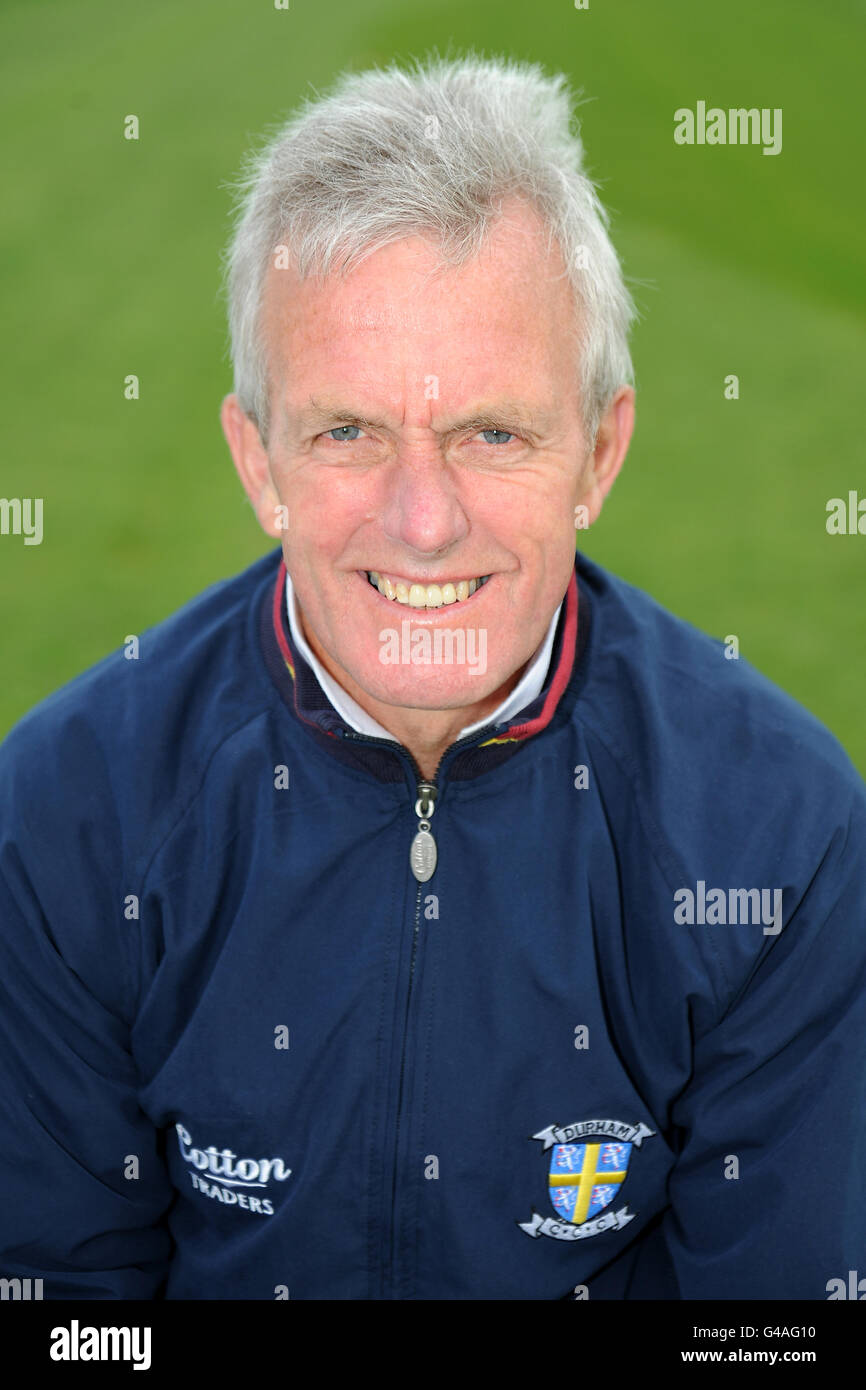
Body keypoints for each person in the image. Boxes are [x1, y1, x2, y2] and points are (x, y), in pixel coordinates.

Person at [0, 55, 863, 1302]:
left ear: (597, 452)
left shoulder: (779, 834)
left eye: (489, 434)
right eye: (346, 431)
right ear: (259, 463)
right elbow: (59, 1312)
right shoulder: (63, 812)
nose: (420, 522)